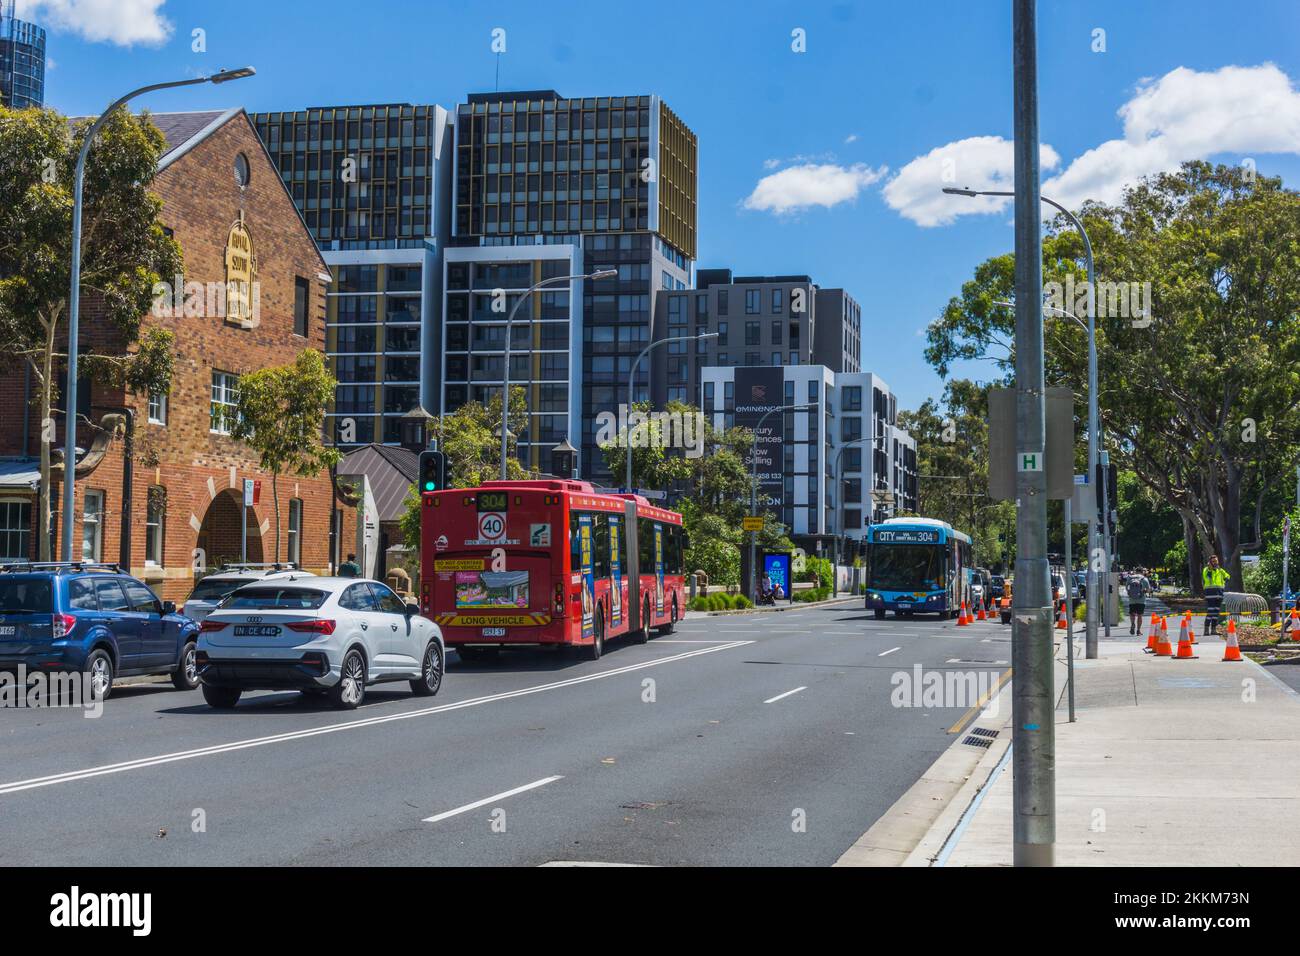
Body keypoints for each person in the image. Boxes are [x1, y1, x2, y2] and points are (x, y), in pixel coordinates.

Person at [1202, 554, 1229, 636]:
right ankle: (1206, 629)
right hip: (1210, 593)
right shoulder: (1206, 570)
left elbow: (1228, 576)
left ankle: (1213, 629)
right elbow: (1206, 576)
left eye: (1216, 561)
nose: (1215, 563)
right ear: (1209, 562)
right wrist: (1210, 568)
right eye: (1213, 561)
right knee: (1210, 611)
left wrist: (1225, 579)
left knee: (1216, 612)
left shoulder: (1220, 570)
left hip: (1219, 593)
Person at [1126, 570, 1150, 635]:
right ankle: (1138, 630)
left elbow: (1126, 588)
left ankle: (1132, 623)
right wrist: (1144, 591)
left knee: (1132, 613)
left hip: (1132, 600)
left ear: (1135, 572)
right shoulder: (1144, 579)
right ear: (1142, 572)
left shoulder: (1130, 578)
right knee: (1140, 615)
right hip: (1141, 600)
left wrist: (1130, 593)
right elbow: (1148, 590)